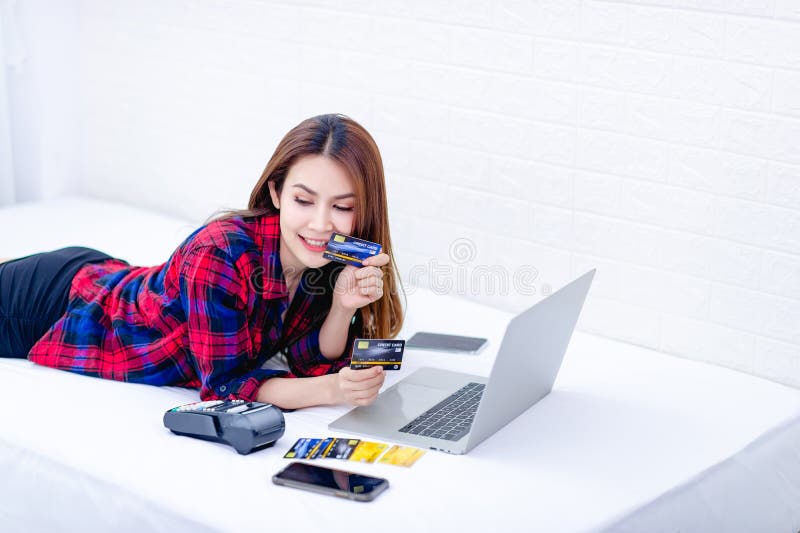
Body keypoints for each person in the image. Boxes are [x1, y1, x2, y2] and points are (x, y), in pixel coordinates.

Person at [0, 114, 404, 410]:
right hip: (51, 307)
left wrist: (341, 307)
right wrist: (332, 390)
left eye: (342, 206)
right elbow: (223, 387)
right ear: (276, 193)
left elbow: (308, 356)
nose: (320, 224)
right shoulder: (219, 254)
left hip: (106, 274)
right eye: (303, 200)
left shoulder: (329, 256)